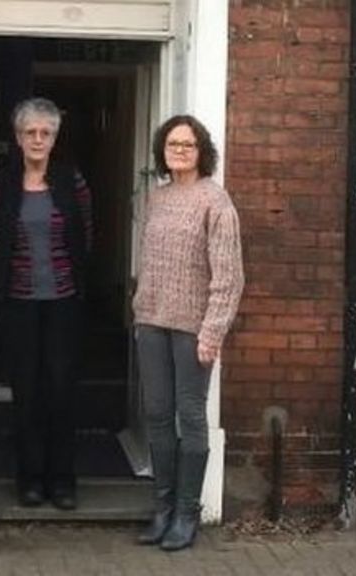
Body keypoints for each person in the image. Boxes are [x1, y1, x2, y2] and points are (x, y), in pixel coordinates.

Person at [133, 115, 244, 551]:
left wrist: (212, 331)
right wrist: (139, 306)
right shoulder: (158, 199)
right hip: (152, 322)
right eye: (172, 144)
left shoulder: (216, 202)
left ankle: (186, 513)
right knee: (157, 414)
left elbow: (229, 277)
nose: (179, 150)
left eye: (188, 144)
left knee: (191, 418)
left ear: (202, 151)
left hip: (193, 328)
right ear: (163, 149)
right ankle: (162, 509)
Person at [0, 97, 94, 510]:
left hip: (63, 303)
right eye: (30, 132)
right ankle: (29, 480)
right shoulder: (0, 185)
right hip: (19, 304)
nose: (37, 139)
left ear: (54, 138)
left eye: (45, 133)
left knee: (61, 390)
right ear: (17, 137)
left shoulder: (72, 182)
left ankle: (63, 482)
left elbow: (86, 236)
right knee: (26, 391)